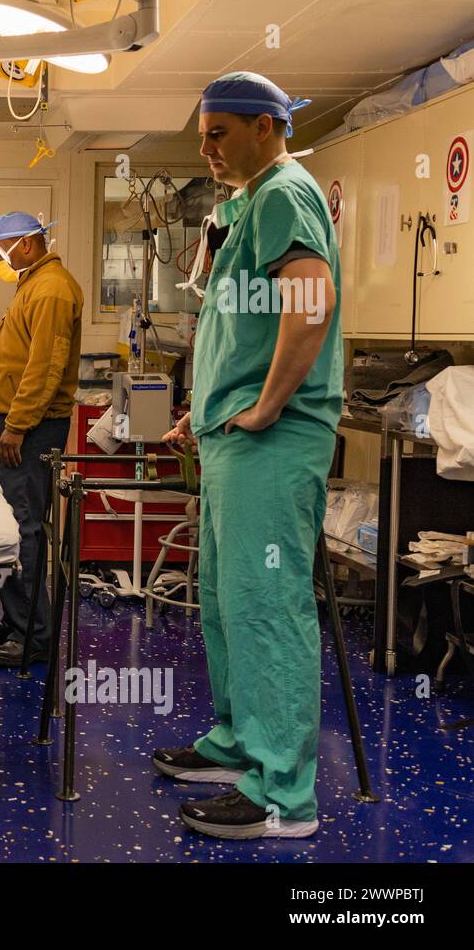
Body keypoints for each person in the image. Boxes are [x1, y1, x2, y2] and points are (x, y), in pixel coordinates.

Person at [155, 71, 341, 840]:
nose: (206, 148)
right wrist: (202, 411)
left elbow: (309, 301)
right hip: (234, 437)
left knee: (266, 607)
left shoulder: (284, 194)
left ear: (267, 126)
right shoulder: (246, 206)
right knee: (230, 599)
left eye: (219, 133)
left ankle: (282, 795)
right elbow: (243, 328)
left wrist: (262, 407)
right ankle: (240, 744)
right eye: (201, 135)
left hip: (274, 438)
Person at [0, 211, 83, 668]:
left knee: (22, 528)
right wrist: (4, 426)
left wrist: (16, 426)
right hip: (17, 423)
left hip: (33, 427)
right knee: (10, 524)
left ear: (25, 244)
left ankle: (33, 636)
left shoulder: (52, 288)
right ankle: (16, 619)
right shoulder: (33, 285)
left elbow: (44, 367)